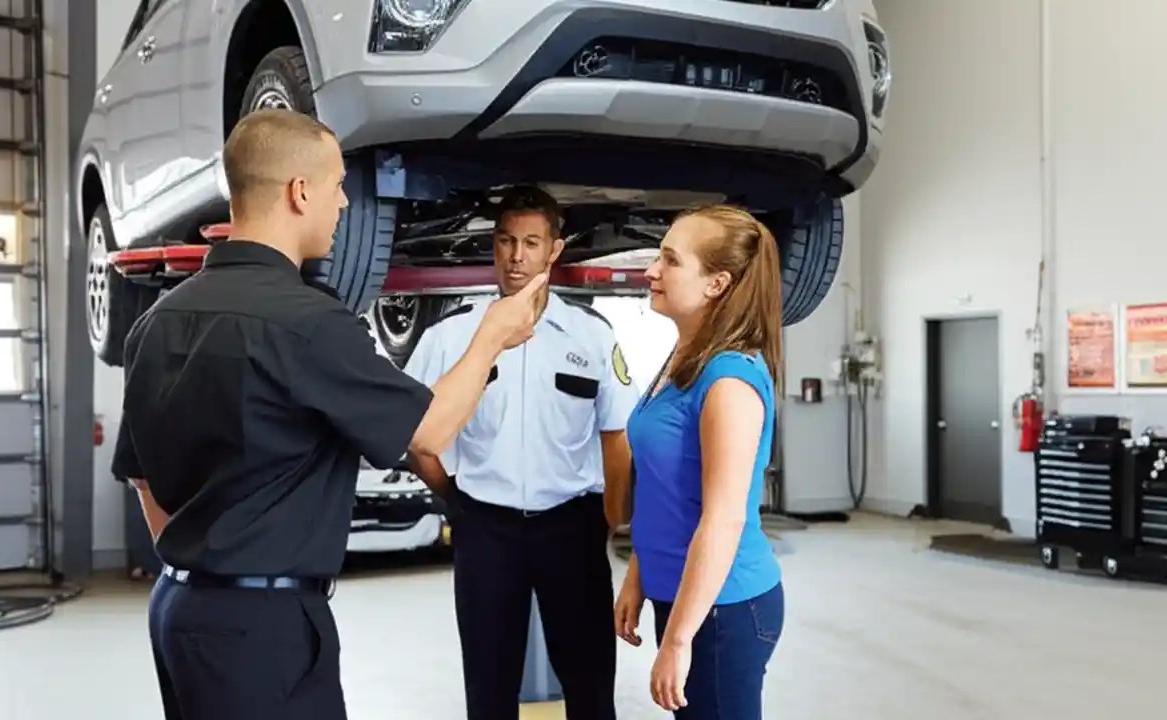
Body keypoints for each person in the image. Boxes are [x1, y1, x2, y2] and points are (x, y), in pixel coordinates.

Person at [111, 108, 547, 720]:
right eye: (340, 185)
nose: (345, 204)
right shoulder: (309, 323)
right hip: (262, 628)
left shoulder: (156, 321)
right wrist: (491, 336)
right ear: (300, 192)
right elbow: (429, 429)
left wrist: (201, 556)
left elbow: (140, 474)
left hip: (180, 609)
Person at [403, 185, 640, 720]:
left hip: (572, 527)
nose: (516, 256)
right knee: (489, 687)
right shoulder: (451, 337)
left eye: (531, 242)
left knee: (589, 681)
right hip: (486, 528)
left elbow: (615, 434)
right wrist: (455, 499)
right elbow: (413, 438)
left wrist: (611, 520)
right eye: (506, 240)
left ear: (554, 249)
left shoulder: (592, 336)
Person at [614, 204, 785, 719]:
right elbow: (668, 492)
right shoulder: (684, 360)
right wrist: (638, 575)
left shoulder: (728, 381)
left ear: (716, 284)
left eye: (670, 261)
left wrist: (678, 640)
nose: (651, 271)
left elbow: (724, 518)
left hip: (724, 609)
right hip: (684, 596)